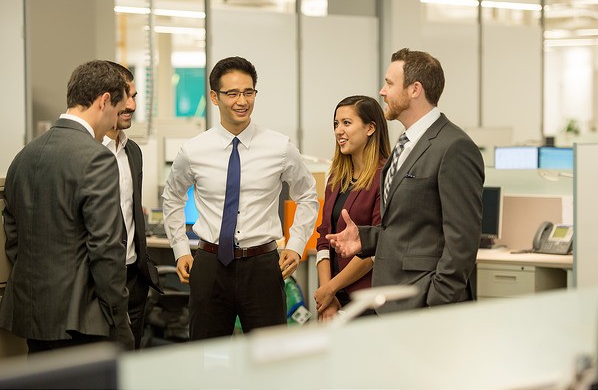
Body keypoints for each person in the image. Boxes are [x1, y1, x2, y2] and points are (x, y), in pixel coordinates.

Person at [162, 56, 319, 339]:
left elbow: (307, 195)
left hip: (263, 266)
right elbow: (172, 197)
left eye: (248, 92)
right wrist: (180, 249)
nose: (241, 101)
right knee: (207, 356)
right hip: (210, 265)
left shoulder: (279, 147)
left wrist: (296, 245)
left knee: (271, 357)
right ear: (214, 96)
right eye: (232, 93)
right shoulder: (193, 150)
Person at [327, 48, 485, 313]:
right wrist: (364, 239)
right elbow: (410, 227)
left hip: (425, 303)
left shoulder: (453, 147)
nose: (382, 91)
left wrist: (436, 300)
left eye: (389, 83)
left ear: (415, 89)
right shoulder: (406, 144)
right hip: (394, 300)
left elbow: (463, 241)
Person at [0, 60, 134, 352]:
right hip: (82, 319)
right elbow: (106, 249)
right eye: (116, 110)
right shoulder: (96, 158)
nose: (115, 121)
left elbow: (14, 237)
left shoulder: (24, 156)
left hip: (32, 312)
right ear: (104, 101)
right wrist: (117, 317)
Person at [103, 62, 162, 349]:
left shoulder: (133, 151)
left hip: (133, 279)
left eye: (135, 96)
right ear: (103, 99)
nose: (131, 105)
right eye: (124, 96)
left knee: (130, 364)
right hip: (98, 282)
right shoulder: (83, 153)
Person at [314, 95, 390, 321]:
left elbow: (377, 245)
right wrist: (328, 294)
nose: (339, 130)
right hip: (335, 297)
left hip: (368, 299)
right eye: (336, 124)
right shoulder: (337, 178)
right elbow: (324, 237)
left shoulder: (385, 177)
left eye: (347, 123)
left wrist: (329, 289)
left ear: (370, 128)